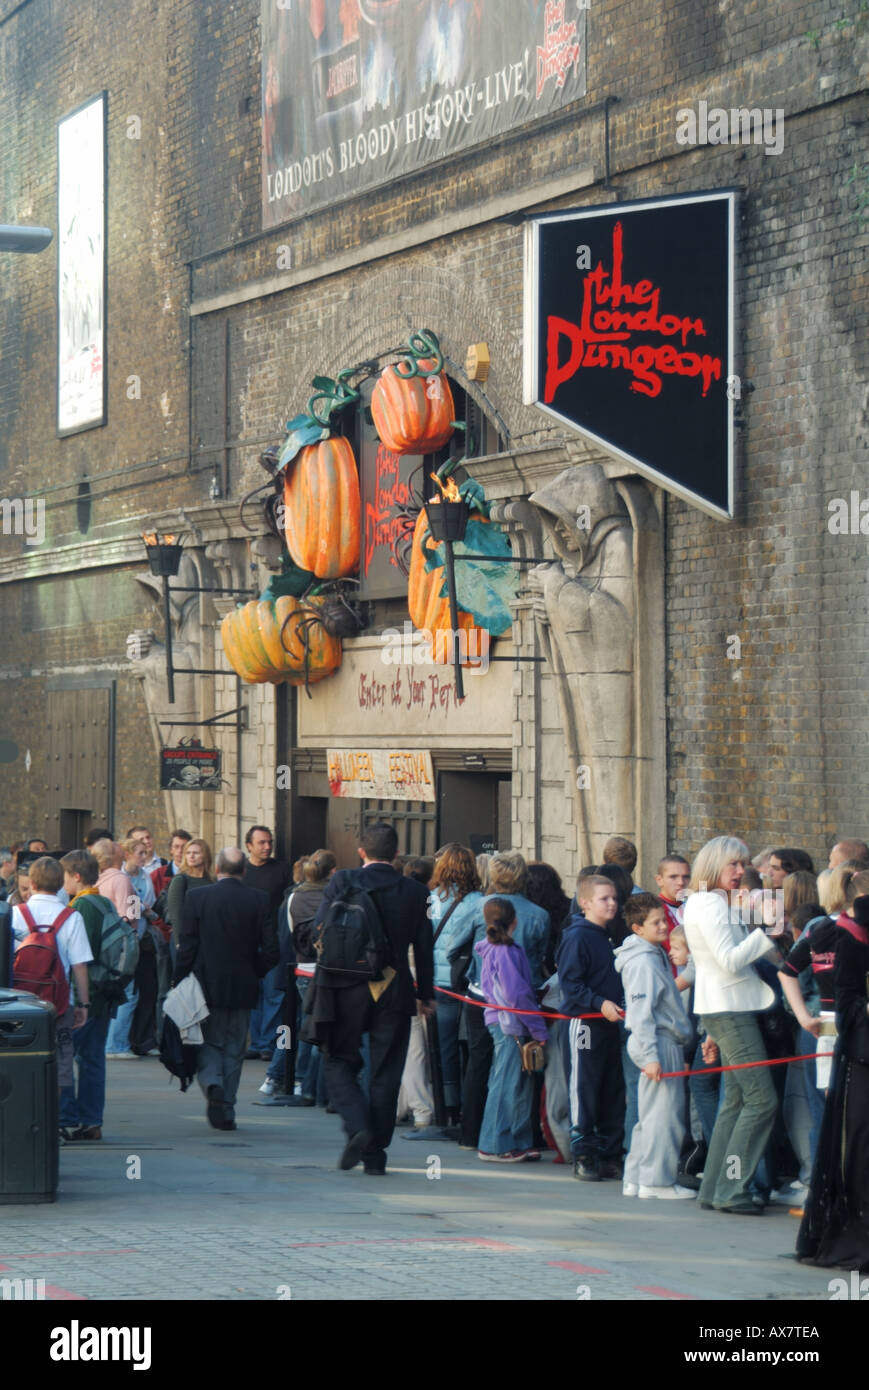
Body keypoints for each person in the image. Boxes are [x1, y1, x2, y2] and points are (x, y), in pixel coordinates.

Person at [306, 822, 434, 1175]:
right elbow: (424, 947)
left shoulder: (342, 882)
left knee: (337, 1060)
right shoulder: (416, 892)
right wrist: (425, 994)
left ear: (361, 851)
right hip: (393, 989)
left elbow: (321, 928)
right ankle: (376, 1155)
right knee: (386, 1071)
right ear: (396, 854)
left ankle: (357, 1123)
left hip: (343, 987)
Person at [682, 836, 781, 1214]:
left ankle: (716, 1187)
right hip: (730, 1009)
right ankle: (730, 1188)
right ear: (714, 866)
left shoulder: (705, 902)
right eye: (733, 865)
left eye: (743, 864)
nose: (741, 872)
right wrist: (766, 930)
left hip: (723, 1008)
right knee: (761, 1101)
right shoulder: (710, 904)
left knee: (737, 1102)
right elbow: (728, 960)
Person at [174, 847, 276, 1131]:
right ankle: (227, 1108)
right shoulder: (259, 899)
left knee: (208, 1042)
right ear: (244, 870)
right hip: (243, 985)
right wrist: (253, 971)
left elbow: (188, 945)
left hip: (205, 984)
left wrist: (178, 978)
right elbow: (271, 951)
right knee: (234, 1047)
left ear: (217, 868)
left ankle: (212, 1084)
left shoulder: (197, 897)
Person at [459, 851, 549, 1151]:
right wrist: (539, 1029)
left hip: (479, 996)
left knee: (481, 1065)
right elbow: (525, 979)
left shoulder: (476, 909)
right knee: (513, 1073)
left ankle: (475, 1135)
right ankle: (498, 1140)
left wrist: (472, 971)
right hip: (515, 1007)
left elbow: (453, 946)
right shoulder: (537, 916)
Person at [797, 893, 869, 1269]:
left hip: (846, 1042)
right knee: (852, 1142)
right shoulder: (845, 937)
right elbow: (847, 1001)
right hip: (854, 1050)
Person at [614, 893, 695, 1198]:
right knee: (665, 1116)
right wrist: (650, 1056)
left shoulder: (650, 953)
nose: (664, 926)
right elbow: (641, 1013)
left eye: (664, 919)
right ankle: (656, 1181)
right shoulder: (645, 962)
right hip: (659, 1042)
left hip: (657, 1041)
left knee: (649, 1116)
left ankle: (636, 1177)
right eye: (656, 922)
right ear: (637, 928)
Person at [557, 870, 626, 1181]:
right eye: (604, 899)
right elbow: (570, 983)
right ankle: (583, 1151)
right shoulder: (577, 936)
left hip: (611, 1024)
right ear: (585, 903)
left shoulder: (609, 935)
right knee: (584, 1086)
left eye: (613, 898)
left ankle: (611, 1152)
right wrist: (600, 1003)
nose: (611, 904)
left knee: (612, 1087)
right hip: (584, 1023)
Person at [11, 856, 92, 1117]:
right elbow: (80, 965)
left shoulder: (14, 914)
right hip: (57, 1004)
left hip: (18, 1004)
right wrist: (83, 1004)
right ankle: (49, 1121)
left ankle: (21, 1118)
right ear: (59, 884)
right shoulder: (71, 916)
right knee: (60, 1063)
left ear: (31, 883)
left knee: (16, 1061)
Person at [259, 848, 335, 1101]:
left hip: (296, 968)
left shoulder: (292, 898)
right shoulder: (332, 899)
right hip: (319, 969)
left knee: (289, 1026)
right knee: (307, 1028)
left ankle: (274, 1076)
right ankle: (300, 1079)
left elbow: (285, 936)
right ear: (332, 871)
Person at [476, 897, 548, 1162]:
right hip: (509, 1023)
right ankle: (494, 1144)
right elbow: (517, 994)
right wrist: (539, 1029)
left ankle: (518, 1139)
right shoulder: (505, 951)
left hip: (506, 1020)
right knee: (506, 1082)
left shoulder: (497, 949)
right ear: (514, 920)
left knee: (518, 1082)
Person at [58, 850, 122, 1140]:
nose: (62, 884)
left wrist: (78, 1000)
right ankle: (92, 1120)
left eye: (65, 877)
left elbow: (79, 958)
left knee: (66, 1056)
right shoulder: (105, 903)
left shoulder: (81, 907)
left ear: (77, 876)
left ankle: (68, 1117)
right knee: (94, 1060)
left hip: (88, 994)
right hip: (107, 990)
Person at [427, 845, 484, 1126]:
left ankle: (449, 1104)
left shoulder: (431, 898)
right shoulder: (479, 902)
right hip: (467, 983)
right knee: (470, 1045)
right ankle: (468, 1103)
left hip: (440, 982)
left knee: (445, 1046)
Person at [243, 826, 293, 1061]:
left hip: (274, 940)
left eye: (269, 842)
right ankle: (256, 1042)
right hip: (248, 940)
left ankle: (268, 1043)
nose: (267, 847)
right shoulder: (242, 872)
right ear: (249, 846)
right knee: (253, 993)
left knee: (274, 992)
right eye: (261, 843)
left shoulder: (282, 870)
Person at [166, 838, 214, 947]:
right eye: (188, 853)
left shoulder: (213, 880)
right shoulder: (180, 880)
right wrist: (179, 943)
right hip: (186, 939)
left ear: (205, 855)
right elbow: (176, 914)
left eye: (196, 853)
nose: (191, 856)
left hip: (207, 938)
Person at [655, 855, 690, 943]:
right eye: (673, 877)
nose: (681, 882)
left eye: (686, 877)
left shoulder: (694, 907)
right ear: (659, 880)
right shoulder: (653, 911)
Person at [151, 829, 192, 901]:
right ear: (171, 850)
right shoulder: (157, 875)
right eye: (176, 847)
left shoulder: (198, 874)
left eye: (184, 847)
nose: (180, 851)